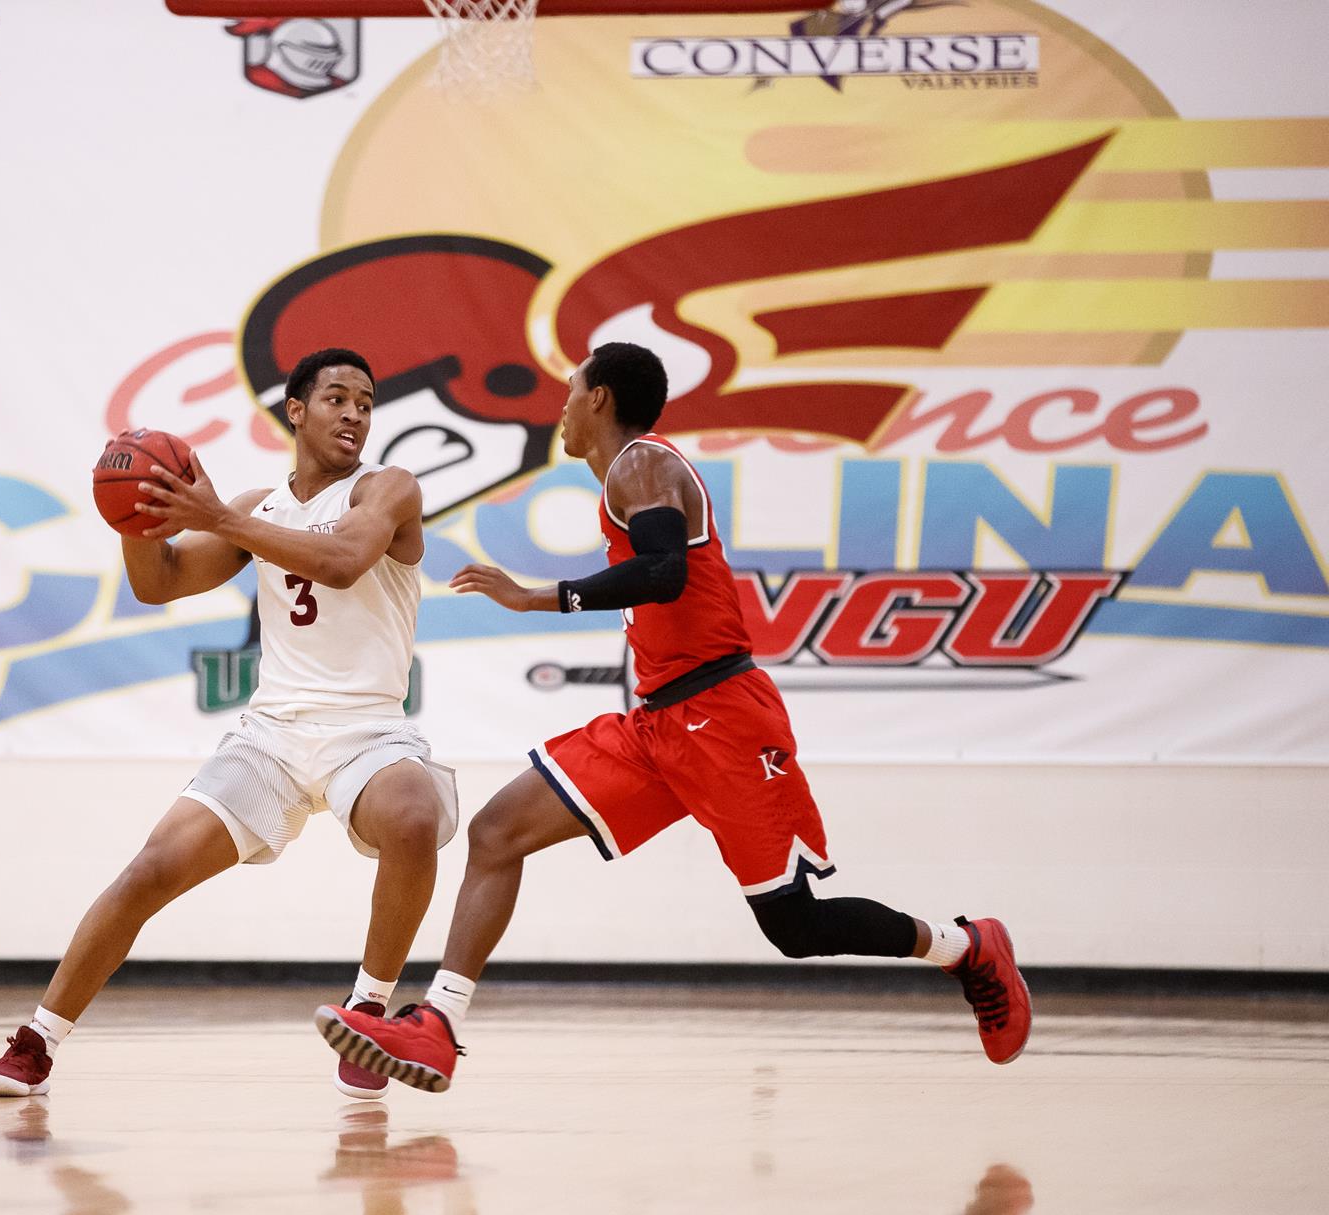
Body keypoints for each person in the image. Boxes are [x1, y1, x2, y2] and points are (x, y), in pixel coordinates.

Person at [314, 342, 1029, 1092]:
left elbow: (664, 572)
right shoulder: (625, 478)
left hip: (723, 717)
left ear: (599, 400)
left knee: (795, 925)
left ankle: (967, 946)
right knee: (497, 832)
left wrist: (541, 596)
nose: (560, 406)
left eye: (570, 389)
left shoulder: (643, 463)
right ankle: (438, 1023)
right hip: (657, 726)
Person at [0, 348, 458, 1099]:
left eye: (366, 401)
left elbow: (341, 561)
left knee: (414, 811)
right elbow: (159, 581)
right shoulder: (261, 506)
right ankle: (36, 1041)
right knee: (149, 869)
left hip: (367, 726)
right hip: (272, 731)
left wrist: (220, 514)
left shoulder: (387, 488)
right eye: (337, 398)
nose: (355, 414)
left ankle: (369, 1010)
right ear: (295, 410)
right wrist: (136, 510)